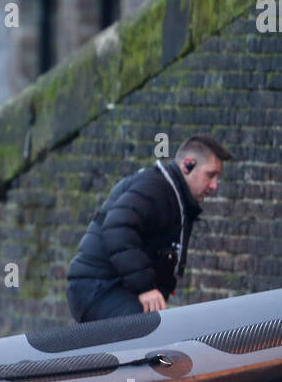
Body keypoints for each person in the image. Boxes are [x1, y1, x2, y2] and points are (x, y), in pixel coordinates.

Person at [66, 135, 231, 322]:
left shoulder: (173, 196)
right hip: (99, 288)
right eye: (210, 175)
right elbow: (117, 227)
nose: (214, 185)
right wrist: (145, 288)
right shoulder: (154, 188)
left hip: (110, 288)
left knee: (159, 333)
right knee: (151, 334)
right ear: (188, 165)